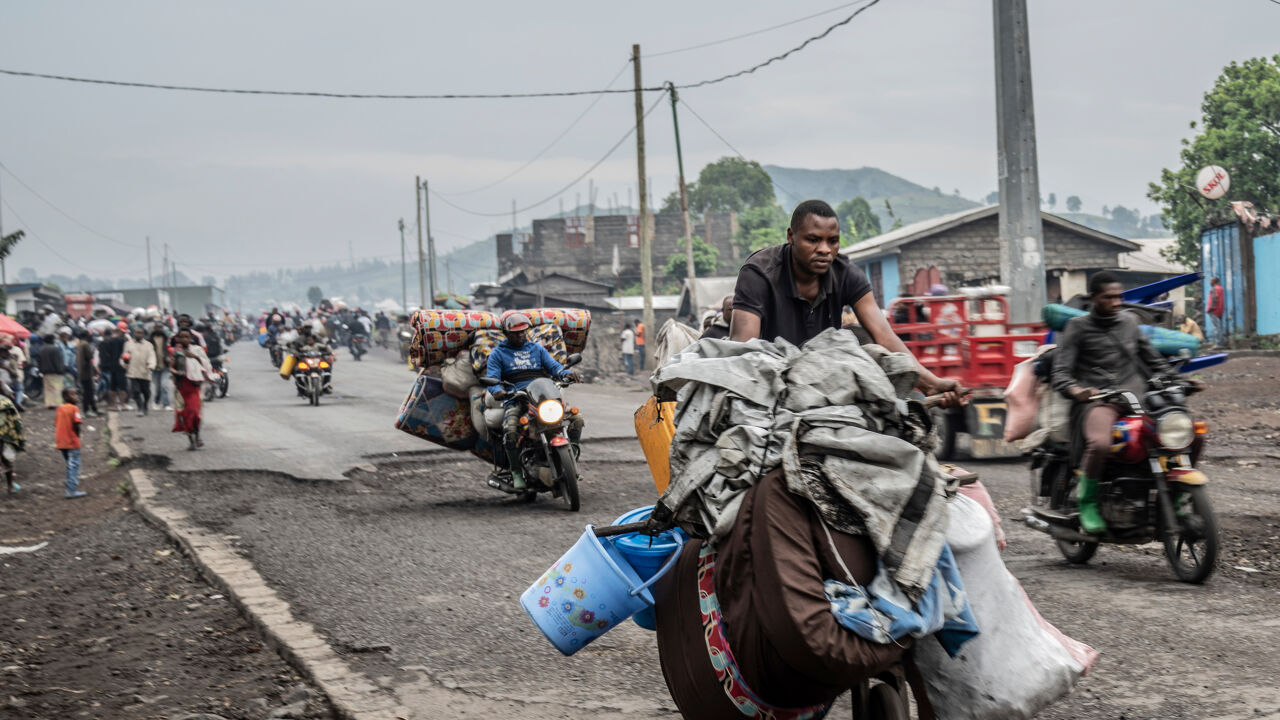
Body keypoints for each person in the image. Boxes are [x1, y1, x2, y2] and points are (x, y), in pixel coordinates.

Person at [730, 199, 964, 404]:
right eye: (813, 240)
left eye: (832, 241)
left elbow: (884, 336)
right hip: (770, 380)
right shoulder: (759, 273)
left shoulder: (846, 274)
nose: (824, 250)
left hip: (826, 380)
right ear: (791, 236)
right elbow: (744, 349)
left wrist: (931, 384)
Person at [1049, 270, 1193, 535]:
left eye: (1119, 297)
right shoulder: (1077, 327)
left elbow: (1153, 359)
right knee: (1100, 443)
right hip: (1099, 400)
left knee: (1190, 432)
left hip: (1139, 399)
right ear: (1093, 298)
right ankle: (1087, 501)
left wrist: (1181, 381)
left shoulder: (1129, 321)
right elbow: (1060, 373)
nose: (1116, 302)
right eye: (1109, 297)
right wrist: (1077, 390)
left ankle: (1177, 494)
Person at [484, 312, 581, 491]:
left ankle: (571, 459)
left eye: (523, 331)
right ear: (506, 333)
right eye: (516, 333)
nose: (521, 335)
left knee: (576, 419)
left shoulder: (536, 349)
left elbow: (555, 367)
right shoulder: (498, 354)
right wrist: (497, 391)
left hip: (542, 397)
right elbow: (493, 379)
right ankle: (516, 472)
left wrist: (567, 374)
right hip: (517, 398)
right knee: (510, 430)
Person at [170, 329, 213, 450]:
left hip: (194, 386)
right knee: (184, 414)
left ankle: (197, 436)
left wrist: (194, 357)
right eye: (182, 337)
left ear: (190, 339)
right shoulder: (176, 352)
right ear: (178, 339)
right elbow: (171, 367)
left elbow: (205, 364)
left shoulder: (197, 350)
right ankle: (191, 440)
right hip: (182, 387)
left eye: (187, 337)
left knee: (195, 413)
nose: (184, 339)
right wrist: (176, 372)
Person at [56, 387, 86, 498]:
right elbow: (76, 424)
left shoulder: (60, 408)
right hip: (72, 442)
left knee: (69, 465)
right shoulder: (74, 408)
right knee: (74, 465)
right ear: (65, 397)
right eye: (73, 395)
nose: (76, 397)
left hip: (61, 442)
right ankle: (71, 490)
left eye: (76, 394)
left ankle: (69, 484)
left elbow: (56, 423)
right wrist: (78, 436)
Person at [123, 327, 158, 417]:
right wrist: (124, 363)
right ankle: (140, 408)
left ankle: (145, 405)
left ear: (143, 334)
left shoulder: (148, 345)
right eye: (137, 332)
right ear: (134, 333)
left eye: (140, 333)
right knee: (136, 391)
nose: (138, 334)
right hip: (133, 372)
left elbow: (152, 356)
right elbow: (124, 356)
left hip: (145, 372)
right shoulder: (128, 344)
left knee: (146, 392)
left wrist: (151, 365)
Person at [0, 379, 25, 493]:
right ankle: (10, 486)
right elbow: (15, 420)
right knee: (7, 460)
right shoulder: (5, 402)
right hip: (5, 436)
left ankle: (10, 485)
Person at [98, 327, 128, 411]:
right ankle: (123, 405)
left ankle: (113, 405)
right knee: (122, 386)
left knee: (112, 387)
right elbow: (126, 354)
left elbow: (103, 355)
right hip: (121, 366)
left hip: (110, 367)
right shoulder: (122, 341)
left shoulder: (105, 342)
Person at [36, 334, 66, 410]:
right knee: (57, 388)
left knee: (48, 389)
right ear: (52, 340)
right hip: (55, 372)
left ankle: (50, 404)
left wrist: (40, 370)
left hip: (45, 373)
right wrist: (61, 370)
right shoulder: (55, 349)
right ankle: (58, 403)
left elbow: (39, 361)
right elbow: (57, 361)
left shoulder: (41, 349)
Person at [74, 330, 100, 418]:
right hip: (86, 371)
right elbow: (89, 356)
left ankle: (94, 409)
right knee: (88, 392)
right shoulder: (85, 344)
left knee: (88, 391)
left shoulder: (79, 344)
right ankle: (87, 410)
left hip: (82, 371)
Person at [148, 325, 172, 410]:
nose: (159, 329)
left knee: (164, 386)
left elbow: (171, 349)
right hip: (155, 366)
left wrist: (169, 358)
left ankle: (166, 404)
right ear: (154, 329)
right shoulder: (150, 340)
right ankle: (156, 401)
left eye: (160, 327)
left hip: (165, 366)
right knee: (157, 387)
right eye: (157, 327)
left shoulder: (167, 339)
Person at [1205, 277, 1226, 345]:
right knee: (1219, 327)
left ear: (1214, 282)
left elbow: (1214, 299)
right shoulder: (1220, 288)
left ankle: (1218, 343)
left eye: (1211, 281)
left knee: (1216, 327)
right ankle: (1221, 342)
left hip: (1214, 311)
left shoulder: (1215, 288)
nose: (1210, 282)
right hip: (1220, 310)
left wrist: (1210, 309)